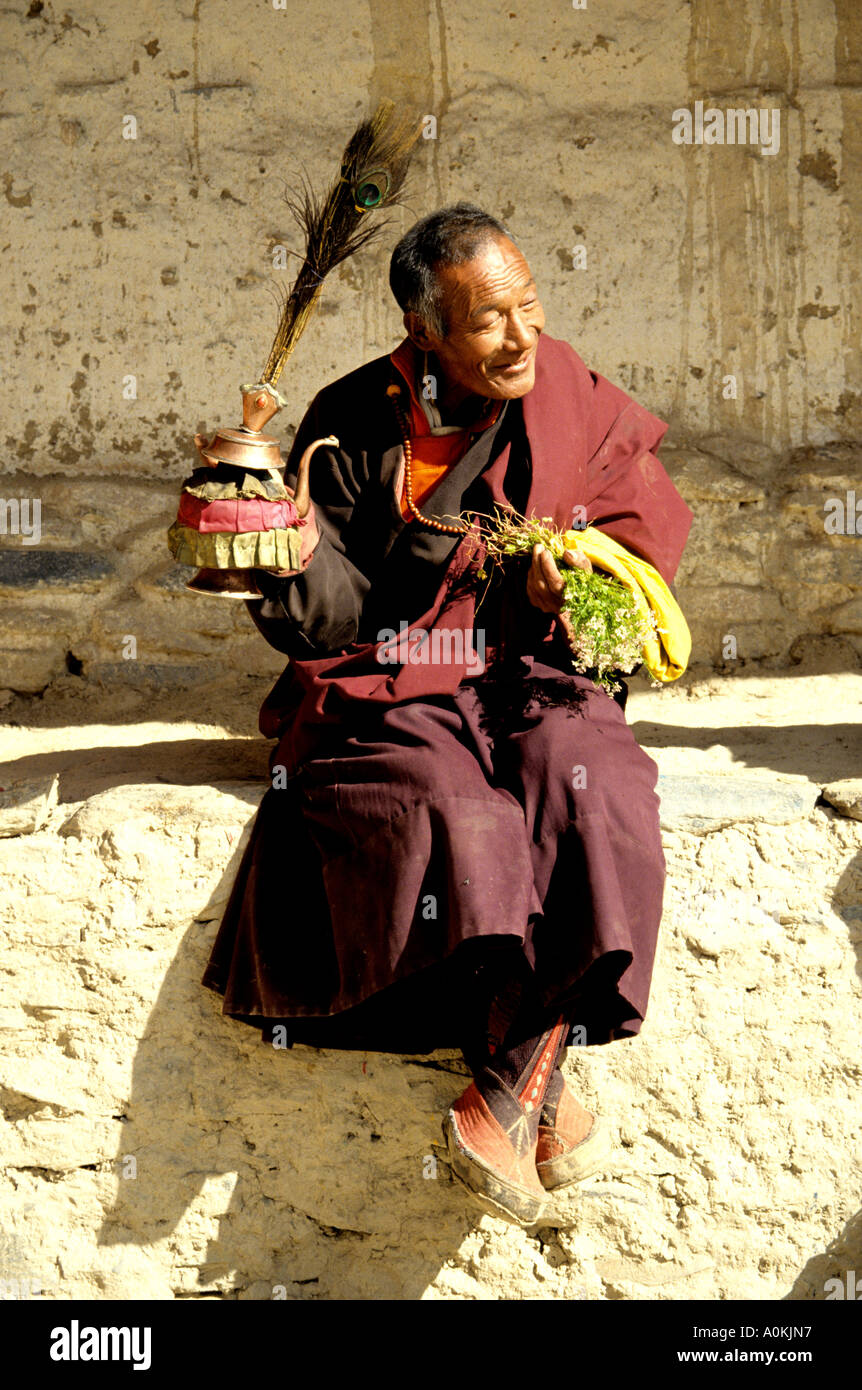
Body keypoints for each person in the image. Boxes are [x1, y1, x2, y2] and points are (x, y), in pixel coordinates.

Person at [202, 203, 693, 1227]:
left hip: (537, 669)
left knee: (594, 782)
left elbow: (635, 530)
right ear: (425, 331)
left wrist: (566, 597)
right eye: (487, 322)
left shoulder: (568, 395)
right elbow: (333, 618)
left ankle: (504, 1100)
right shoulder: (354, 423)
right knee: (447, 808)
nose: (521, 339)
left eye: (530, 308)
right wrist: (281, 556)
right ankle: (533, 1091)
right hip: (402, 677)